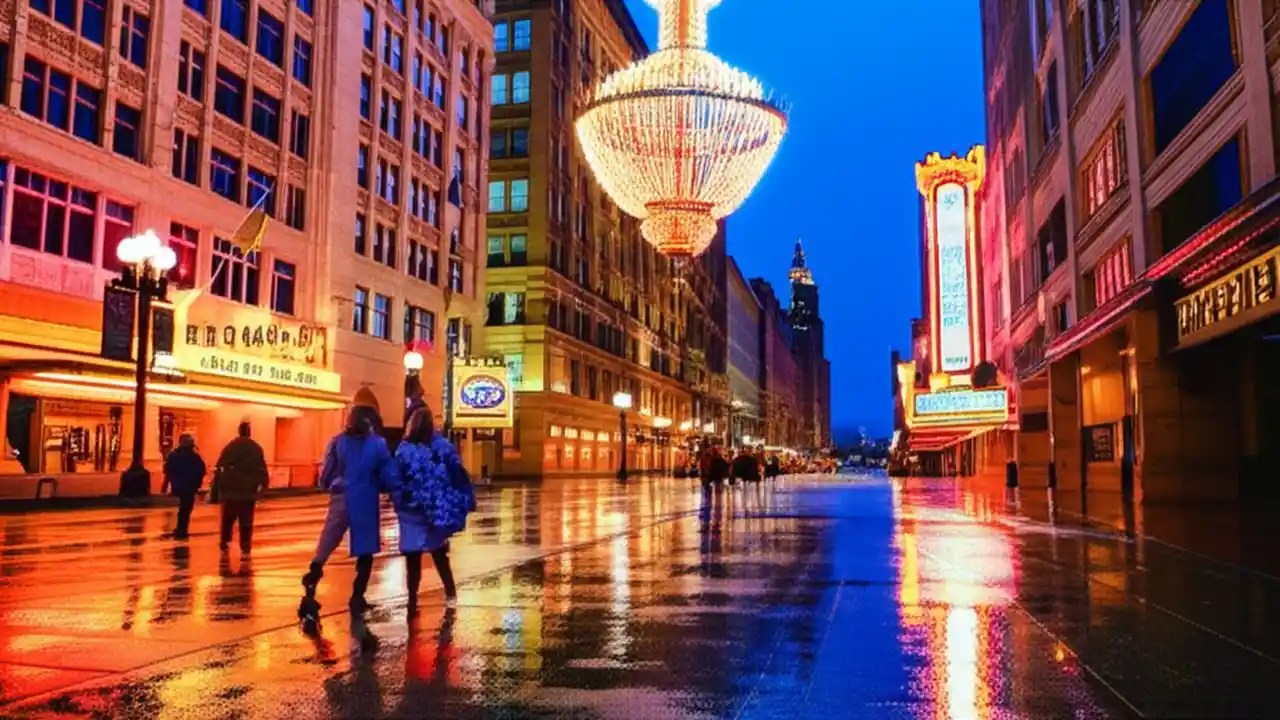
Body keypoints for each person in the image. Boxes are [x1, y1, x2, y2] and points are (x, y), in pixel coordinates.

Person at [302, 405, 399, 614]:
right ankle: (357, 596)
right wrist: (390, 487)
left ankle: (311, 583)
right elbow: (389, 475)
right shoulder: (377, 444)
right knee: (365, 550)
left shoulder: (338, 442)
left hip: (341, 496)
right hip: (365, 498)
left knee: (327, 542)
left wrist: (333, 483)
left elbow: (326, 475)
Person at [393, 407, 476, 617]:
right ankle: (450, 591)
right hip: (435, 508)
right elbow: (457, 473)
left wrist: (399, 499)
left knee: (412, 557)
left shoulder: (404, 449)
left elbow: (396, 478)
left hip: (411, 509)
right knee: (439, 553)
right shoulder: (442, 447)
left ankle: (412, 599)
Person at [212, 422, 268, 555]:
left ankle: (225, 543)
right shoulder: (255, 448)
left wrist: (217, 488)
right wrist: (263, 487)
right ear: (249, 432)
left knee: (228, 520)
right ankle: (245, 544)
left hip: (230, 491)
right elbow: (261, 469)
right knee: (246, 520)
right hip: (248, 492)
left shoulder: (231, 446)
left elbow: (220, 466)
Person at [162, 434, 206, 539]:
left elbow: (168, 470)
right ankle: (182, 528)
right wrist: (197, 484)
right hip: (189, 486)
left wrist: (167, 484)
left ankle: (181, 528)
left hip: (179, 485)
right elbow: (201, 470)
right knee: (185, 508)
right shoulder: (194, 456)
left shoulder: (174, 455)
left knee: (183, 508)